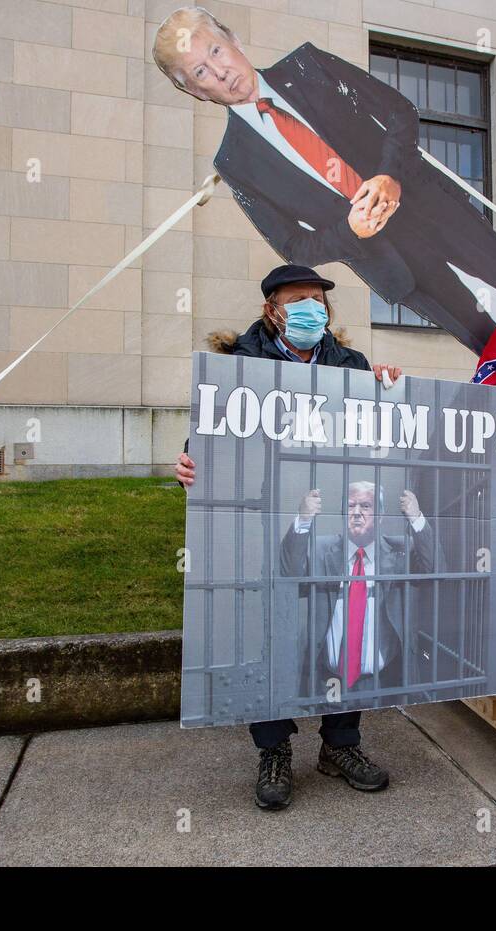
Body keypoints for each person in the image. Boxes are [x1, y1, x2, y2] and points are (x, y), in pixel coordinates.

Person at [152, 6, 496, 367]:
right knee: (477, 326)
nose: (220, 73)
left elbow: (400, 111)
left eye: (216, 52)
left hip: (427, 206)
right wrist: (349, 230)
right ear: (192, 90)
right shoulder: (234, 161)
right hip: (388, 259)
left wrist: (390, 175)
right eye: (199, 73)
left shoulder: (308, 65)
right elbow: (292, 244)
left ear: (232, 40)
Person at [177, 264, 402, 810]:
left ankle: (340, 744)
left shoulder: (349, 365)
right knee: (269, 628)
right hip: (263, 518)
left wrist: (389, 388)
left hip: (329, 515)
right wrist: (189, 460)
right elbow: (211, 435)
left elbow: (377, 428)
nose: (312, 309)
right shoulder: (238, 364)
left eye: (319, 300)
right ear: (271, 309)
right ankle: (273, 748)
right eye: (299, 300)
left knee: (341, 620)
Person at [279, 480, 435, 701]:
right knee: (336, 733)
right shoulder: (320, 549)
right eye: (351, 506)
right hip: (329, 679)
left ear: (380, 516)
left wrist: (416, 518)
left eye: (366, 506)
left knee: (383, 732)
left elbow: (434, 570)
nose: (357, 513)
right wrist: (303, 520)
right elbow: (287, 575)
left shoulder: (401, 549)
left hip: (385, 679)